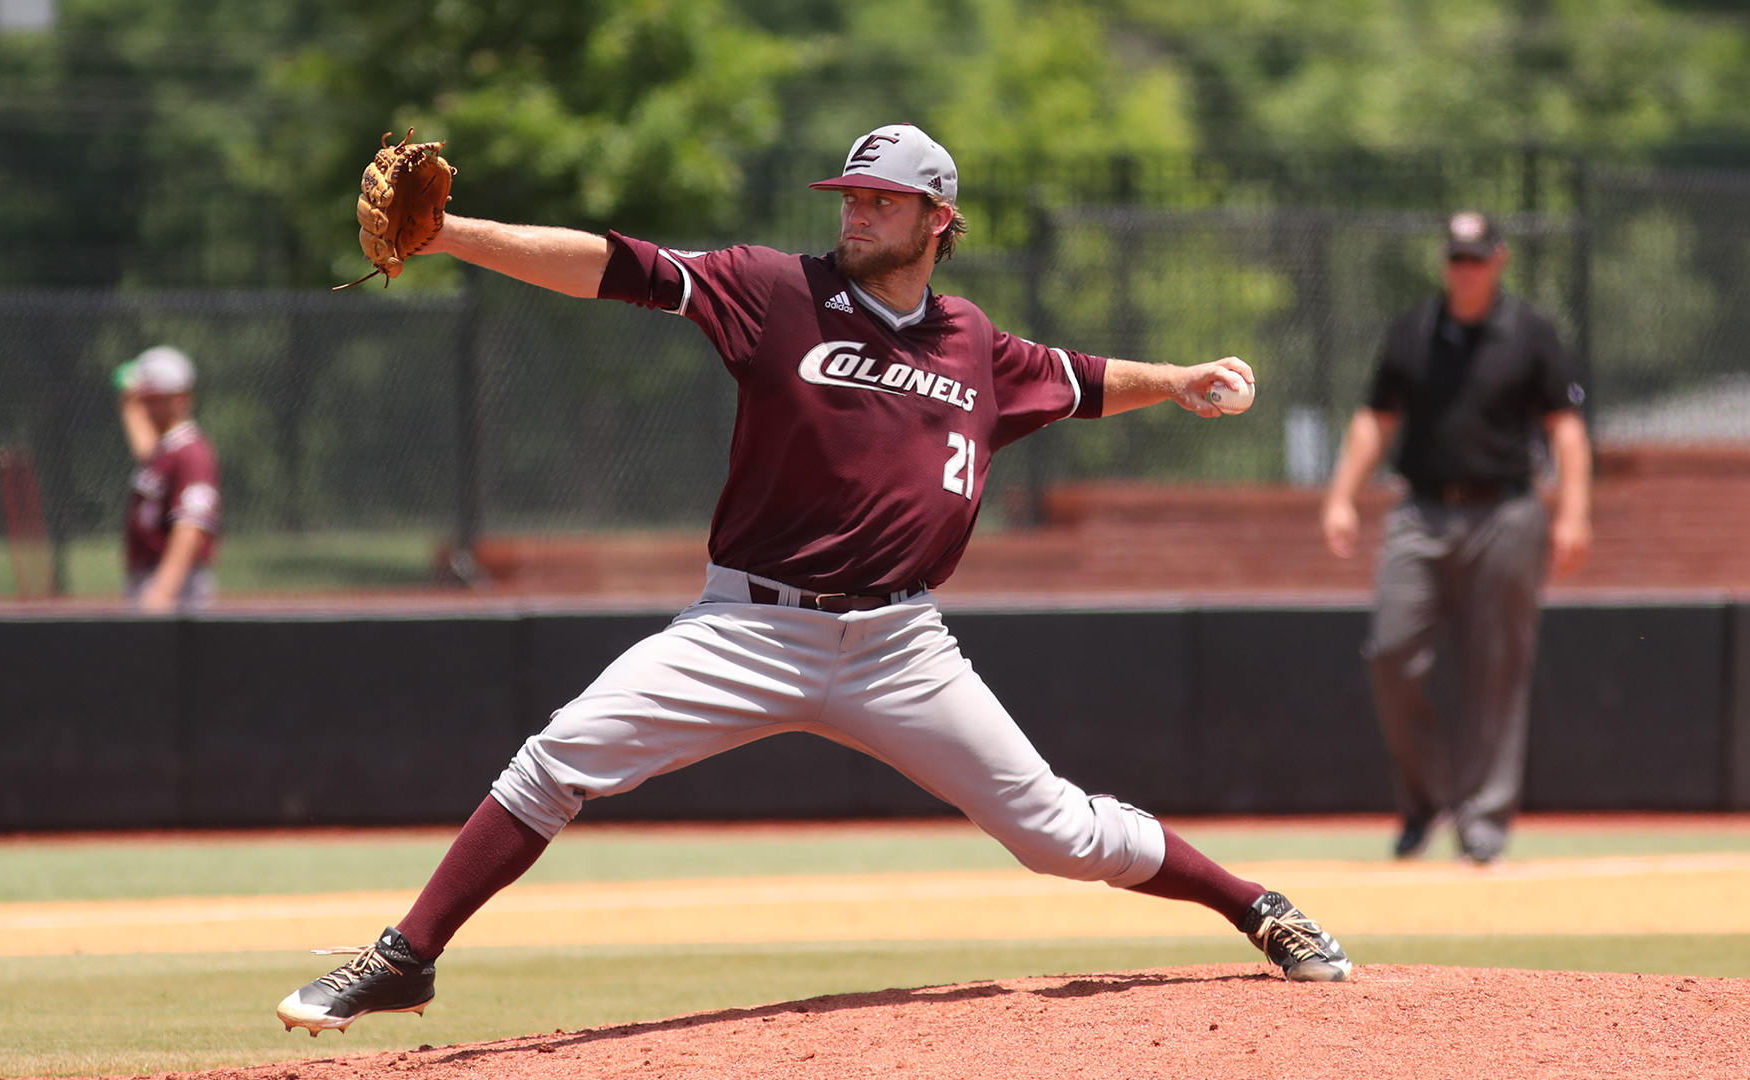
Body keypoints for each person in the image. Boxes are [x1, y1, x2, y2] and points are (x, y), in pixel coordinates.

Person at [278, 123, 1351, 1036]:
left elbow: (1081, 380)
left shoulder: (974, 342)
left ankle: (1256, 906)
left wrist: (1180, 379)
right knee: (557, 759)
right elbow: (615, 266)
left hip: (900, 647)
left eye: (882, 200)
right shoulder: (774, 290)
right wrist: (450, 235)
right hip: (747, 625)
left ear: (937, 218)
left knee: (1059, 834)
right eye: (850, 196)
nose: (857, 214)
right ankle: (408, 955)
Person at [1320, 211, 1592, 865]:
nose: (1464, 270)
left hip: (1507, 512)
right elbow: (1375, 418)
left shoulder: (1529, 332)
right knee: (1391, 651)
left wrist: (1574, 512)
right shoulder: (1414, 329)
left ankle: (1483, 824)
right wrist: (1340, 496)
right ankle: (1424, 804)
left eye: (1476, 258)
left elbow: (1565, 428)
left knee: (1496, 669)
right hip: (1422, 511)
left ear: (1498, 260)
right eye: (1456, 259)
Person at [117, 345, 221, 613]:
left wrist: (160, 595)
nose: (144, 408)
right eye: (142, 400)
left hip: (177, 587)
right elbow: (144, 448)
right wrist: (128, 404)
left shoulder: (192, 454)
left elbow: (190, 530)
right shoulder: (164, 450)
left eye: (154, 400)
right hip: (152, 577)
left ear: (180, 399)